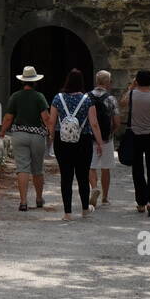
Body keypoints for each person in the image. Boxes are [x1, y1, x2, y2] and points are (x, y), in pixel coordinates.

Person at [47, 69, 104, 220]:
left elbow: (51, 121)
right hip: (83, 141)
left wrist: (51, 138)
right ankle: (85, 209)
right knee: (82, 176)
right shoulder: (87, 100)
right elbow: (94, 123)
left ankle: (67, 213)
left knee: (66, 176)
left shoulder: (57, 98)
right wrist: (99, 142)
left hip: (62, 140)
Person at [0, 65, 51, 211]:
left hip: (19, 135)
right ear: (35, 82)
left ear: (22, 82)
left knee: (22, 168)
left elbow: (9, 118)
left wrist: (2, 132)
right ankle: (39, 198)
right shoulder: (39, 97)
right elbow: (46, 118)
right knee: (37, 169)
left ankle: (23, 202)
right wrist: (51, 132)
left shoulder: (15, 96)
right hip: (37, 136)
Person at [122, 69, 150, 217]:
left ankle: (141, 202)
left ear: (137, 81)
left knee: (138, 170)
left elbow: (122, 103)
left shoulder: (132, 95)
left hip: (135, 136)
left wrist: (131, 87)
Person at [88, 69, 120, 207]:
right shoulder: (111, 99)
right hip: (106, 138)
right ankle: (105, 197)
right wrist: (111, 132)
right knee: (106, 168)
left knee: (90, 166)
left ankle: (94, 187)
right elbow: (117, 121)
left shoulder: (86, 97)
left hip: (89, 137)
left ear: (97, 81)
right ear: (107, 83)